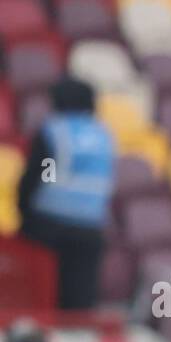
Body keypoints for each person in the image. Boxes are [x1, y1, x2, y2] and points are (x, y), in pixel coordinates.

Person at [16, 77, 115, 309]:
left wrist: (23, 210)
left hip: (49, 227)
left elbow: (38, 175)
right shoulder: (103, 135)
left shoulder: (55, 131)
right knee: (79, 301)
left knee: (43, 297)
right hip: (90, 228)